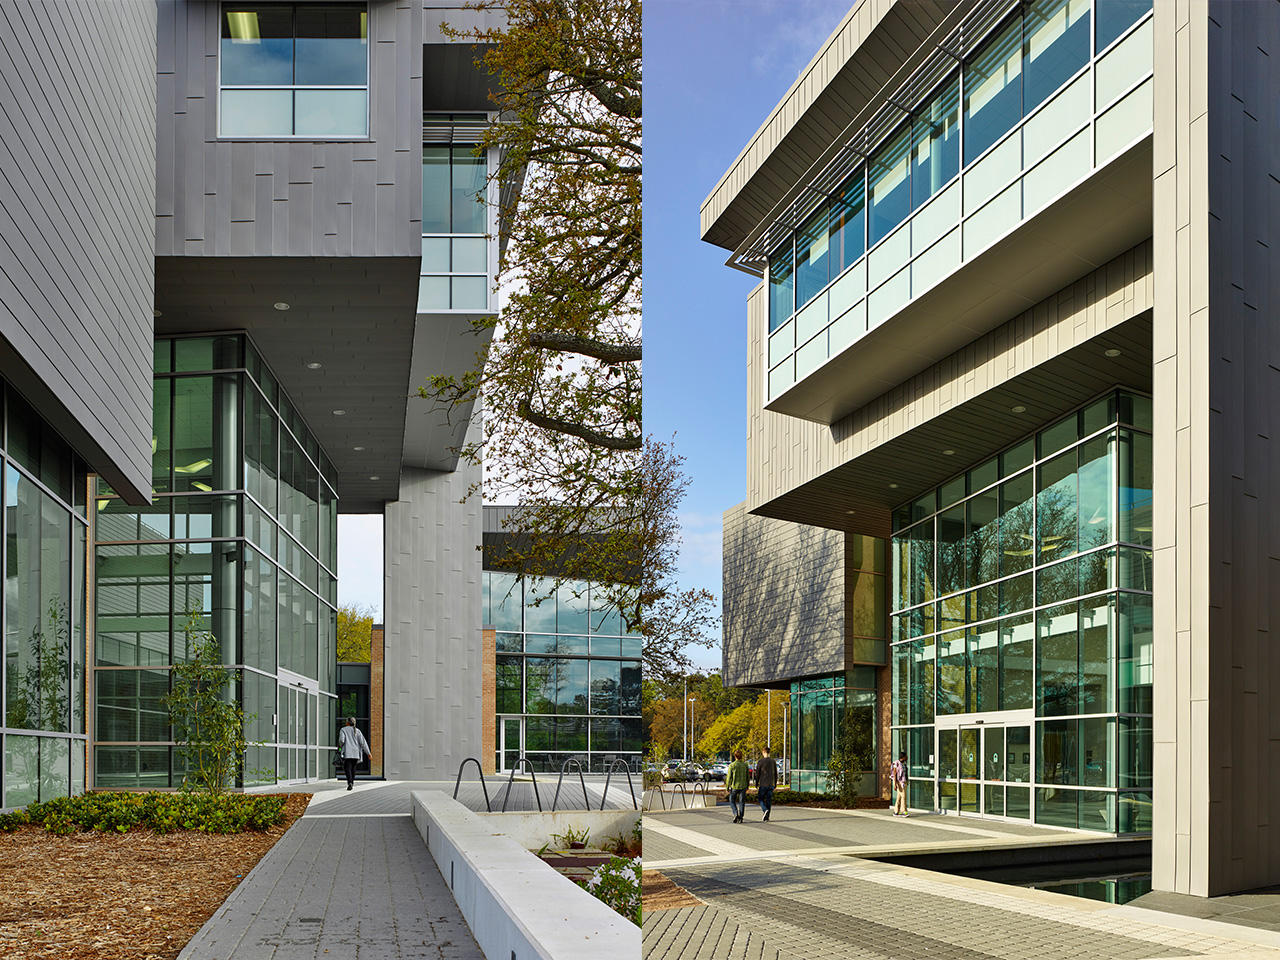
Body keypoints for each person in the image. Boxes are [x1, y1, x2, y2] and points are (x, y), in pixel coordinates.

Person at [338, 717, 371, 791]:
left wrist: (340, 746)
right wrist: (368, 753)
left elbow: (341, 740)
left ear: (347, 723)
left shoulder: (343, 730)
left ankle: (350, 782)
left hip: (347, 752)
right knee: (353, 768)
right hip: (356, 753)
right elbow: (363, 743)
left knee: (347, 768)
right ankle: (351, 782)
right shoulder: (358, 731)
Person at [756, 746, 778, 822]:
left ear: (763, 752)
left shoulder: (760, 762)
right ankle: (767, 817)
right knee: (768, 800)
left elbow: (758, 773)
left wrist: (756, 783)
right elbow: (775, 773)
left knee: (760, 798)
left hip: (763, 784)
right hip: (771, 784)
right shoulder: (773, 761)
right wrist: (775, 783)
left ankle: (765, 810)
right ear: (769, 753)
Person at [726, 750, 749, 823]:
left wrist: (727, 786)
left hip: (734, 786)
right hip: (743, 786)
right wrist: (747, 786)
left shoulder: (732, 765)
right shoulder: (745, 765)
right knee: (742, 802)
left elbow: (729, 777)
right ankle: (741, 817)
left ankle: (735, 813)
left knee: (732, 800)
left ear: (735, 756)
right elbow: (747, 776)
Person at [890, 750, 909, 817]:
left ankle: (896, 811)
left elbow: (905, 773)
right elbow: (894, 774)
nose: (907, 758)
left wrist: (907, 780)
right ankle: (904, 811)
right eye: (906, 756)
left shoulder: (904, 764)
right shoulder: (897, 763)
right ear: (903, 757)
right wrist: (895, 784)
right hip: (899, 782)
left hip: (904, 782)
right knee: (904, 796)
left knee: (899, 797)